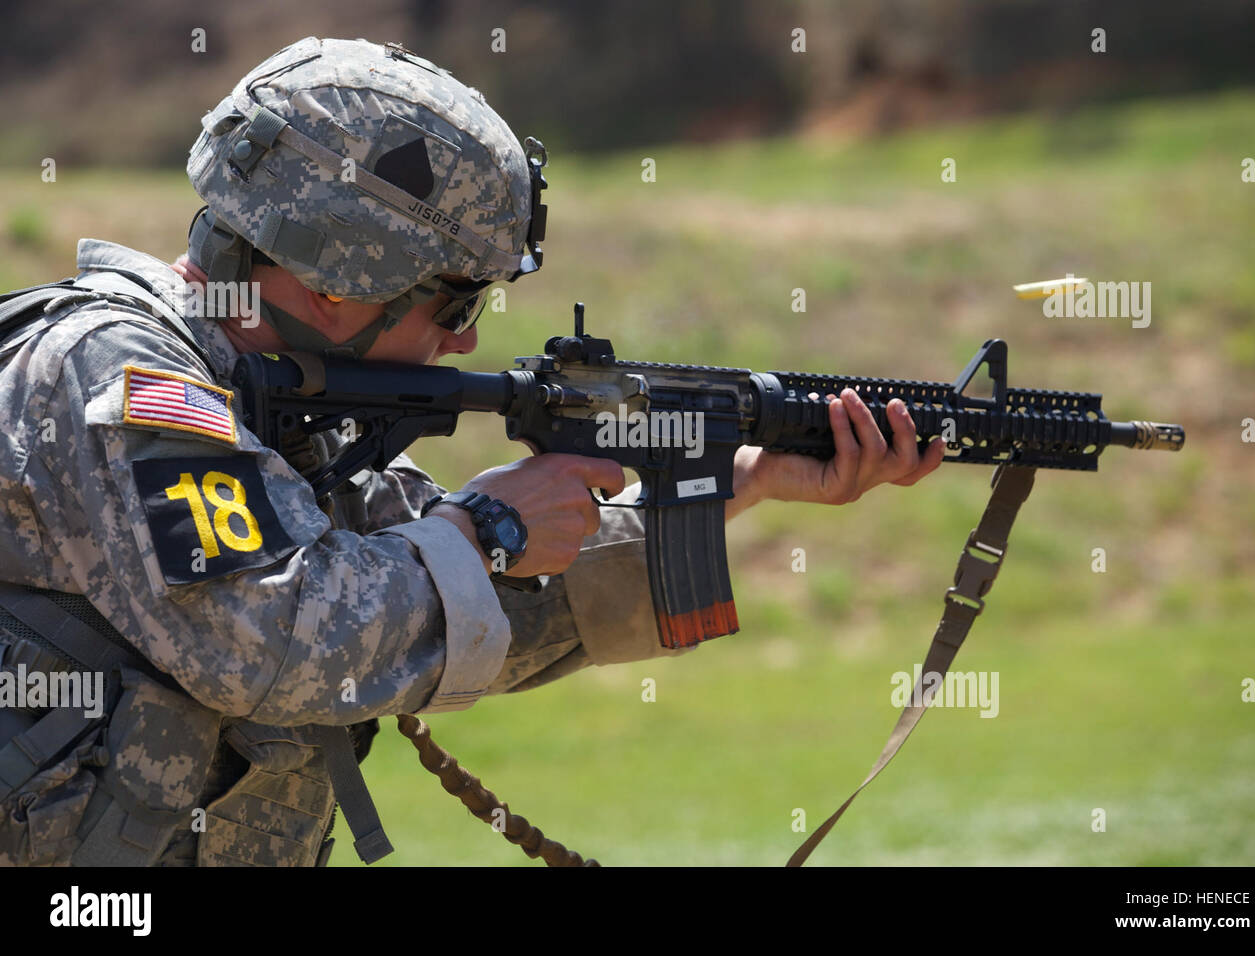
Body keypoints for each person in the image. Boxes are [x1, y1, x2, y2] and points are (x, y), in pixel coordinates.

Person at [0, 37, 942, 866]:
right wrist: (487, 526)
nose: (462, 343)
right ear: (337, 284)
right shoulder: (119, 375)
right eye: (454, 304)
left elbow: (451, 621)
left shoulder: (287, 408)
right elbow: (269, 642)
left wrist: (736, 483)